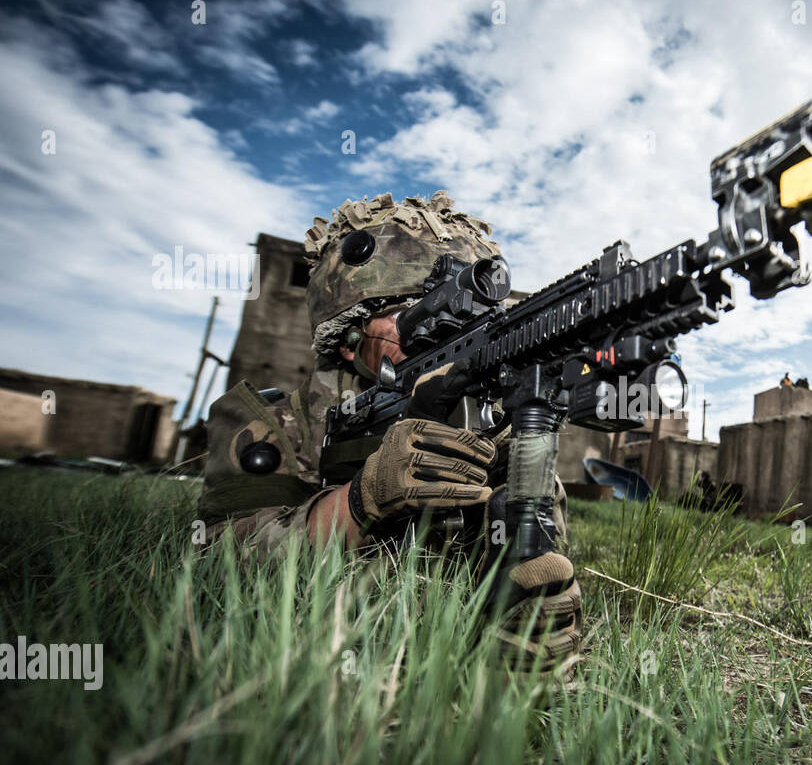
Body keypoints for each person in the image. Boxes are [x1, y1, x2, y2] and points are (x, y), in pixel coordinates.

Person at [197, 192, 581, 670]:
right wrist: (360, 501)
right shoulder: (274, 423)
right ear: (347, 339)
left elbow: (539, 541)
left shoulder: (488, 416)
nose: (442, 335)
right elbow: (215, 558)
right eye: (413, 317)